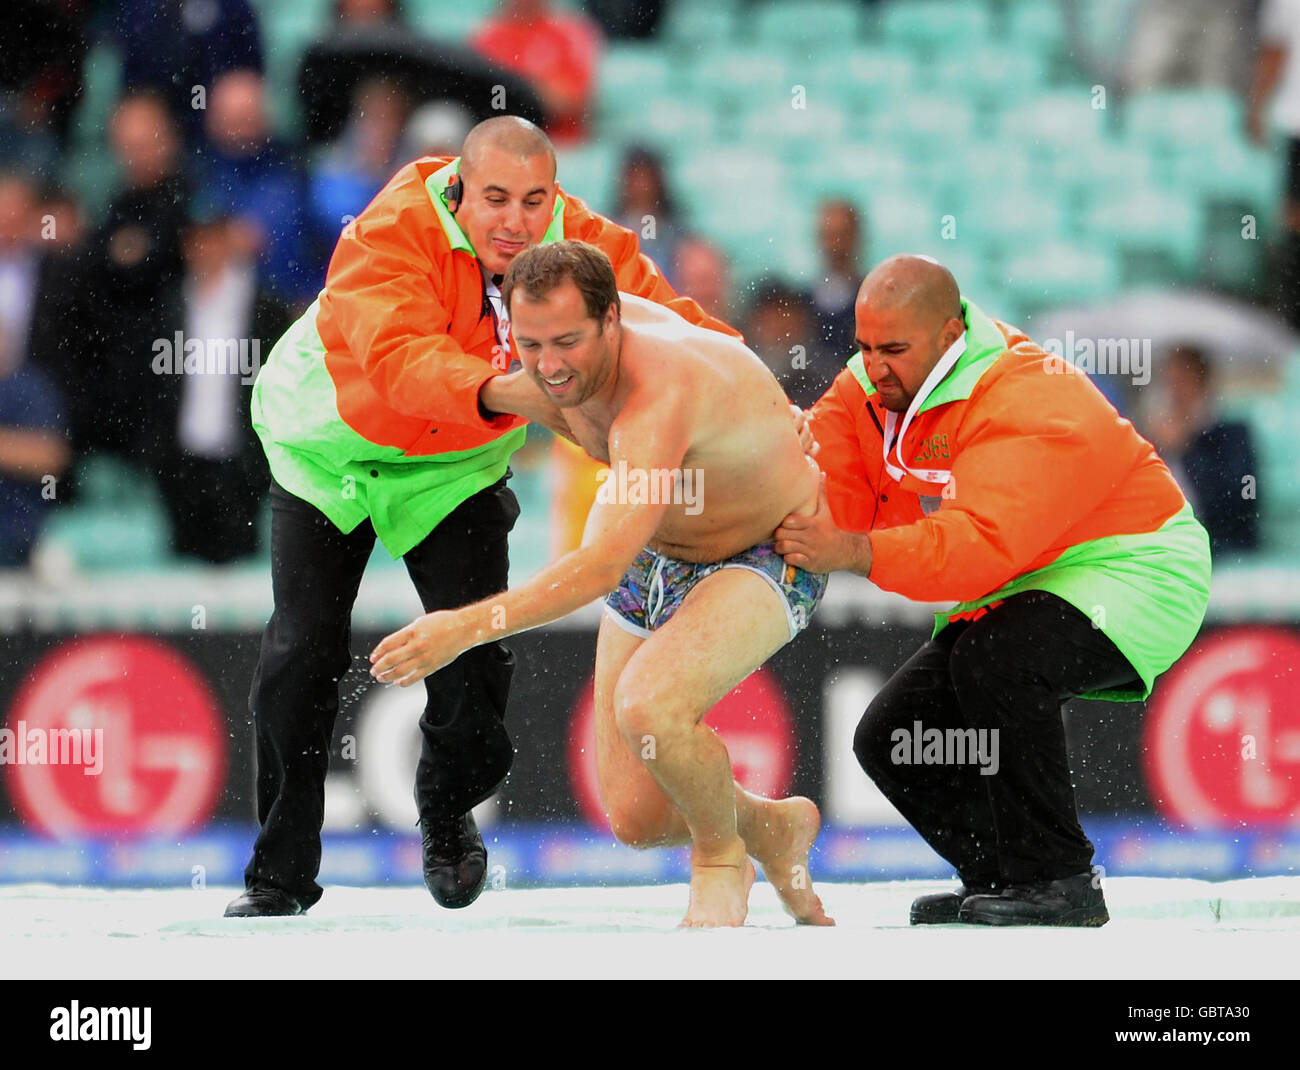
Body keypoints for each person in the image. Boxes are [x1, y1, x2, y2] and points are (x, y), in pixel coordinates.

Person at [224, 116, 738, 918]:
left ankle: (445, 805)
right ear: (458, 191)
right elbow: (400, 365)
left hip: (452, 464)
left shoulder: (580, 247)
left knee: (478, 654)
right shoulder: (388, 232)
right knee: (301, 655)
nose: (517, 222)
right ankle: (278, 878)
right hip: (326, 450)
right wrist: (522, 395)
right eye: (495, 199)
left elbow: (679, 329)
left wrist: (764, 404)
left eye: (535, 201)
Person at [370, 241, 833, 928]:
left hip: (769, 546)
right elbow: (423, 380)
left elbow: (598, 568)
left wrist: (460, 628)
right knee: (637, 818)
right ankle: (770, 829)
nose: (551, 366)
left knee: (650, 704)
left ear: (611, 322)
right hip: (657, 545)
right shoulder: (543, 367)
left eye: (567, 342)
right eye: (530, 344)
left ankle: (720, 859)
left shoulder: (657, 394)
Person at [774, 255, 1212, 927]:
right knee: (893, 737)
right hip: (1038, 577)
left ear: (950, 338)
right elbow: (826, 484)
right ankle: (1003, 878)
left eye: (893, 350)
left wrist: (854, 553)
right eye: (863, 347)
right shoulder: (874, 381)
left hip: (1142, 570)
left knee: (996, 659)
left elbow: (976, 551)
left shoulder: (1029, 395)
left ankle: (1058, 881)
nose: (872, 367)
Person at [1142, 344, 1260, 558]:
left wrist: (1188, 447)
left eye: (1182, 381)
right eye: (1170, 383)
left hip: (1222, 549)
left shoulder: (1233, 434)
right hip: (1166, 546)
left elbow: (1239, 500)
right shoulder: (1157, 437)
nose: (1175, 391)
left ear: (1202, 382)